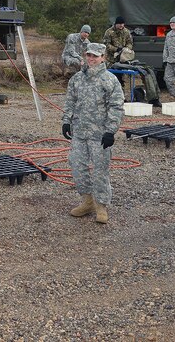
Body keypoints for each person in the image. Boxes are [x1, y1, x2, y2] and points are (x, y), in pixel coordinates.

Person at [61, 42, 124, 224]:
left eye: (95, 56)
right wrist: (66, 121)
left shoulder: (110, 80)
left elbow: (116, 106)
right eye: (88, 55)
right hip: (79, 132)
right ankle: (87, 201)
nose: (91, 59)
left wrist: (111, 131)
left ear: (102, 58)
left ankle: (101, 205)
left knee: (100, 171)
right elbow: (70, 101)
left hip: (100, 134)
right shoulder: (77, 79)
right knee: (77, 166)